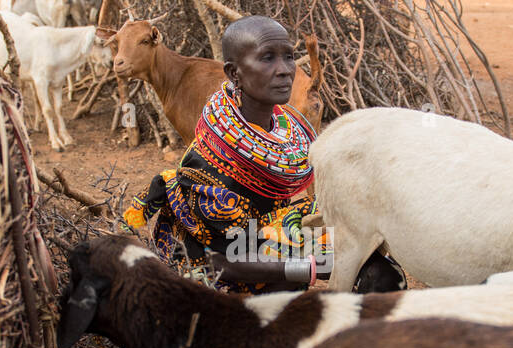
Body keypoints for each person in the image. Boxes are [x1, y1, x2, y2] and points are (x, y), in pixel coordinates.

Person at [124, 15, 380, 293]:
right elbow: (223, 260)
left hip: (265, 242)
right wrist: (311, 266)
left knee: (378, 269)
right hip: (220, 286)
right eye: (267, 58)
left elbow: (276, 221)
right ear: (234, 73)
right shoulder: (208, 163)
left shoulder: (282, 133)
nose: (285, 70)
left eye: (289, 57)